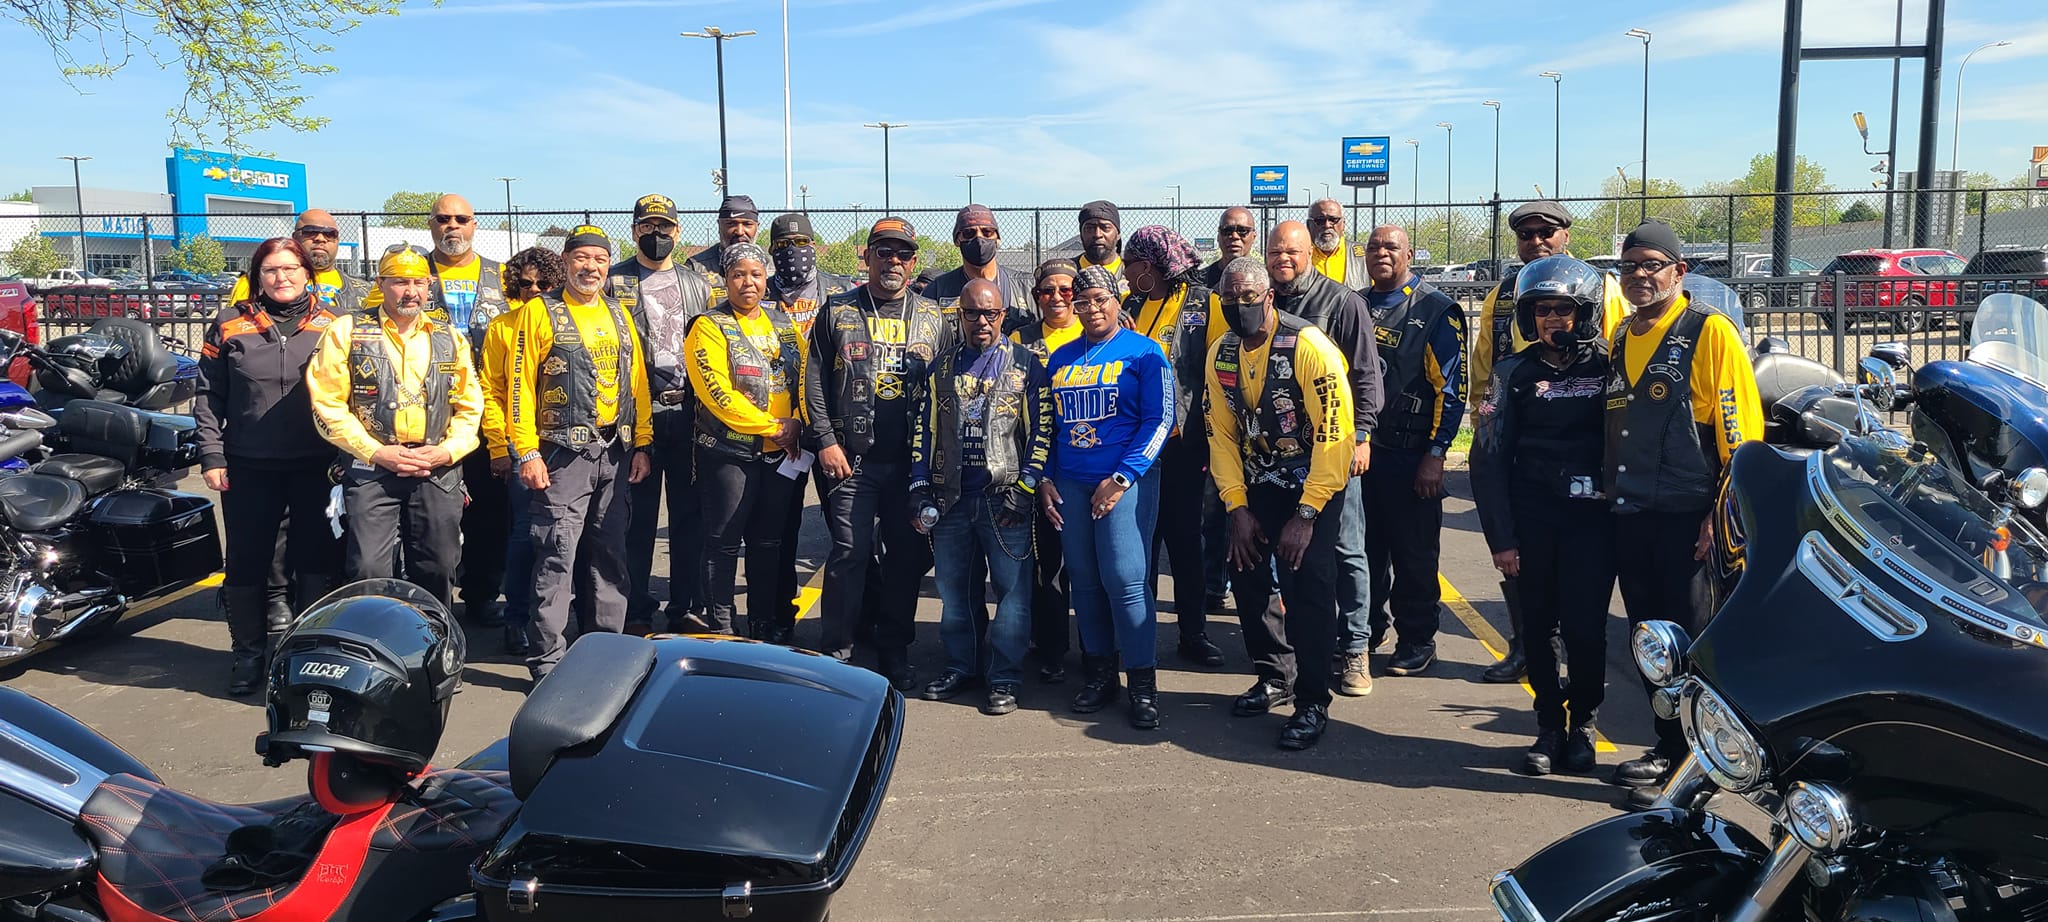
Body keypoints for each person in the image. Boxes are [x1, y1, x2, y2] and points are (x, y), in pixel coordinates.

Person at [1603, 221, 1762, 801]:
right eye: (1630, 267)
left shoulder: (1708, 332)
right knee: (1649, 639)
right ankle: (1668, 745)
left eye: (1652, 264)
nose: (1640, 276)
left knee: (1693, 641)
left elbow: (1739, 437)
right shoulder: (1621, 334)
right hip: (1631, 513)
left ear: (1679, 271)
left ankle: (1702, 767)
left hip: (1687, 517)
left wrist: (1718, 517)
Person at [1467, 200, 1630, 683]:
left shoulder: (1599, 289)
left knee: (1581, 604)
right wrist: (1485, 420)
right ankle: (1525, 647)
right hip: (1522, 448)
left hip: (1583, 470)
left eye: (1546, 233)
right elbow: (1485, 360)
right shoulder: (1502, 296)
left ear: (1565, 236)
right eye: (1526, 235)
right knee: (1524, 577)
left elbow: (1616, 356)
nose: (1536, 242)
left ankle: (1577, 697)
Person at [1469, 255, 1616, 776]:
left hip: (1592, 525)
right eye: (1542, 310)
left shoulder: (1610, 367)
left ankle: (1584, 726)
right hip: (1532, 523)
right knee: (1538, 629)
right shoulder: (1512, 373)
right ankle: (1549, 727)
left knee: (1586, 630)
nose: (1554, 319)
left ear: (1587, 312)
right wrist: (1501, 540)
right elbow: (1486, 459)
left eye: (1564, 309)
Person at [1206, 256, 1356, 750]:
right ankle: (1274, 675)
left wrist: (1308, 514)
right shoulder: (1221, 354)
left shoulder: (1307, 346)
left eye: (1249, 298)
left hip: (1313, 485)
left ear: (1269, 295)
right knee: (1249, 578)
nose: (1239, 308)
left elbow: (1336, 434)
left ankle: (1313, 699)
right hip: (1256, 485)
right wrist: (1237, 507)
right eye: (1229, 301)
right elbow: (1222, 436)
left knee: (1308, 588)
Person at [805, 217, 951, 688]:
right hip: (853, 458)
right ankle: (838, 652)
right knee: (850, 552)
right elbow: (813, 380)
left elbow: (946, 389)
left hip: (911, 465)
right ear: (866, 256)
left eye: (903, 253)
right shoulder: (837, 310)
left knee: (906, 556)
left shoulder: (933, 317)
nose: (893, 260)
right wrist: (826, 440)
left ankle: (894, 649)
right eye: (883, 251)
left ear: (914, 262)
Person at [195, 236, 345, 695]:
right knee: (246, 560)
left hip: (318, 464)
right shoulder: (227, 325)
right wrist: (211, 454)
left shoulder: (335, 325)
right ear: (257, 277)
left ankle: (311, 656)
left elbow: (354, 395)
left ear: (308, 274)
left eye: (291, 269)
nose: (282, 278)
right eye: (271, 270)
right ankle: (248, 655)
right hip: (247, 464)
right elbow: (206, 396)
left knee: (317, 559)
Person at [507, 226, 654, 683]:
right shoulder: (539, 312)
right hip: (559, 454)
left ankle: (604, 653)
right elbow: (518, 388)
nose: (591, 267)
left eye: (601, 259)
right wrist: (526, 451)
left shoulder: (618, 312)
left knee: (610, 555)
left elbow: (638, 383)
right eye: (582, 258)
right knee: (557, 554)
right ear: (566, 262)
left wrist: (642, 443)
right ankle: (548, 661)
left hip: (614, 450)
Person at [305, 245, 484, 609]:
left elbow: (470, 406)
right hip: (372, 466)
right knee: (368, 568)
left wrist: (448, 450)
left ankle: (435, 646)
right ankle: (373, 646)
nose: (411, 291)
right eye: (400, 282)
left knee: (439, 565)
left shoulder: (450, 337)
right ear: (381, 283)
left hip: (437, 468)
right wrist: (375, 451)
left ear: (430, 285)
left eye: (419, 282)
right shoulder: (348, 330)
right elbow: (327, 403)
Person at [912, 279, 1054, 715]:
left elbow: (1043, 433)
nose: (981, 322)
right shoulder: (941, 367)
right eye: (971, 313)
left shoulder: (1027, 364)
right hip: (952, 499)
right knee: (954, 594)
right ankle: (962, 666)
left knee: (1012, 595)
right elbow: (925, 431)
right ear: (959, 315)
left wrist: (1026, 488)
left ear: (1003, 314)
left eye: (990, 313)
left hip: (1004, 499)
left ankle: (1005, 678)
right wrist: (919, 489)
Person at [1040, 266, 1173, 730]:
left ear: (1118, 301)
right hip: (1071, 484)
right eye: (1082, 302)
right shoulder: (1060, 359)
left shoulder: (1145, 352)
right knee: (1085, 580)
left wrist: (1121, 478)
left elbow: (1160, 420)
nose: (1092, 309)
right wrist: (1047, 478)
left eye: (1100, 299)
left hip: (1123, 483)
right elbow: (1050, 429)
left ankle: (1142, 683)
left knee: (1126, 579)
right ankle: (1099, 674)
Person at [1265, 221, 1384, 697]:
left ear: (1309, 253)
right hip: (1278, 458)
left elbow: (1366, 374)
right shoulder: (1263, 304)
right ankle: (1301, 648)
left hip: (1334, 450)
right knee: (1289, 554)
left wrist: (1363, 437)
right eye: (1276, 252)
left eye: (1292, 252)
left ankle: (1355, 649)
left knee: (1345, 548)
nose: (1283, 260)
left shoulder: (1342, 302)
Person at [1360, 224, 1466, 677]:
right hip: (1363, 453)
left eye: (1392, 247)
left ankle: (1418, 638)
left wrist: (1437, 453)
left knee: (1415, 554)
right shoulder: (1356, 304)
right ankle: (1366, 628)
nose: (1382, 253)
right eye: (1374, 247)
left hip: (1412, 454)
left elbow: (1452, 388)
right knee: (1364, 552)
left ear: (1408, 255)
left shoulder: (1438, 309)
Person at [686, 243, 806, 641]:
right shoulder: (708, 325)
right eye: (738, 274)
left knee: (768, 542)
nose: (748, 282)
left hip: (779, 455)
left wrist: (798, 423)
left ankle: (763, 623)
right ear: (725, 280)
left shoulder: (782, 323)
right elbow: (716, 392)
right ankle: (721, 624)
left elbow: (804, 376)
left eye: (755, 274)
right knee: (722, 542)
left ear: (766, 278)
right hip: (729, 453)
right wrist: (774, 426)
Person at [1120, 225, 1226, 666]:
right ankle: (1136, 635)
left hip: (1184, 444)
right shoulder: (1128, 304)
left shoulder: (1205, 304)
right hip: (1136, 445)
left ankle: (1192, 633)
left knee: (1185, 543)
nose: (1125, 274)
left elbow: (1222, 363)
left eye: (1131, 265)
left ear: (1151, 265)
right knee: (1140, 546)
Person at [609, 193, 714, 635]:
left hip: (688, 414)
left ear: (678, 231)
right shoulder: (614, 281)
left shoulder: (698, 283)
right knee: (637, 518)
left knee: (691, 516)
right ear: (633, 231)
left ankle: (685, 604)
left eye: (665, 227)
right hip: (638, 415)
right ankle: (634, 607)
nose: (657, 235)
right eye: (648, 228)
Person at [418, 195, 516, 631]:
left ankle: (481, 593)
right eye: (443, 219)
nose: (452, 226)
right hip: (426, 416)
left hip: (489, 413)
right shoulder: (413, 274)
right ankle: (425, 605)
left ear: (475, 225)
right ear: (431, 224)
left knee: (491, 512)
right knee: (428, 518)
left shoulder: (503, 276)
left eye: (461, 219)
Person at [764, 211, 854, 634]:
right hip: (780, 434)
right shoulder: (758, 295)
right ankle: (779, 616)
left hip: (832, 429)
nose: (792, 255)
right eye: (782, 248)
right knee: (779, 529)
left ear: (814, 246)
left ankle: (857, 618)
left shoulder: (842, 293)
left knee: (847, 527)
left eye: (799, 245)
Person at [478, 246, 565, 655]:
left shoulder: (571, 321)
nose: (534, 290)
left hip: (570, 446)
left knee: (565, 537)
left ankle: (559, 619)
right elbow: (491, 391)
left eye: (543, 283)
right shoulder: (502, 327)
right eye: (525, 283)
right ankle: (516, 618)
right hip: (521, 446)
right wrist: (501, 446)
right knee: (525, 534)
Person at [1014, 259, 1082, 681]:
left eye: (1066, 289)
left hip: (1087, 464)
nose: (1056, 297)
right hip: (1038, 464)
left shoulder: (1101, 329)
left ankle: (1101, 650)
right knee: (1048, 564)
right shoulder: (1020, 339)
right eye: (1046, 291)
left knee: (1094, 565)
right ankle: (1051, 647)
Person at [225, 209, 371, 311]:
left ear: (337, 240)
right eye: (310, 232)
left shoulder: (363, 290)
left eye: (330, 234)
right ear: (295, 238)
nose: (320, 238)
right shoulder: (256, 282)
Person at [922, 205, 1034, 333]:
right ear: (957, 240)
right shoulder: (937, 291)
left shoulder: (1027, 287)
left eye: (987, 232)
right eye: (969, 233)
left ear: (997, 238)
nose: (979, 239)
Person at [685, 194, 761, 305]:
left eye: (747, 224)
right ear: (719, 225)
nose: (740, 231)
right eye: (731, 224)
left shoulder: (768, 266)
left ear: (757, 227)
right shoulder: (696, 268)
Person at [1307, 199, 1372, 290]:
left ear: (1343, 224)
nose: (1327, 225)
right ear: (1308, 225)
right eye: (1320, 220)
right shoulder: (1300, 255)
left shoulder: (1366, 255)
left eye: (1333, 220)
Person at [1076, 201, 1129, 296]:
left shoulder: (1132, 273)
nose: (1097, 234)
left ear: (1118, 234)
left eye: (1105, 227)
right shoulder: (1069, 272)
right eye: (1089, 228)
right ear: (1081, 235)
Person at [1201, 206, 1260, 291]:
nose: (1234, 236)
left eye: (1242, 230)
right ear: (1218, 236)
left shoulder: (1266, 279)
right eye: (1227, 230)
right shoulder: (1199, 281)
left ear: (1254, 236)